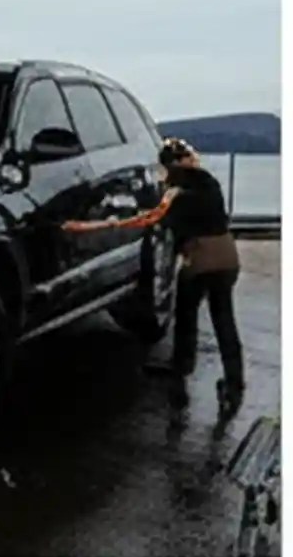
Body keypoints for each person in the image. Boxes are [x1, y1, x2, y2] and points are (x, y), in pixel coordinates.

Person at [62, 137, 244, 417]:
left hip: (200, 259)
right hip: (228, 257)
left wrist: (88, 226)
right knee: (224, 320)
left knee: (186, 315)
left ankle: (181, 370)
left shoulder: (176, 194)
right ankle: (234, 381)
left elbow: (147, 221)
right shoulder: (211, 184)